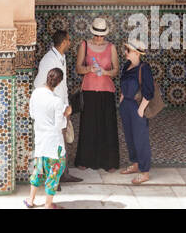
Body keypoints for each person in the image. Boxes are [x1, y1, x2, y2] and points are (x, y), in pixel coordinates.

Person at [73, 16, 119, 172]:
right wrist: (89, 69)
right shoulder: (84, 45)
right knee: (88, 125)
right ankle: (85, 160)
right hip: (89, 90)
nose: (99, 38)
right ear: (93, 32)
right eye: (97, 35)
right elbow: (78, 68)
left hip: (106, 90)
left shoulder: (111, 47)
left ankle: (109, 162)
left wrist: (105, 72)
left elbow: (116, 70)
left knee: (107, 126)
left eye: (102, 35)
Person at [34, 29, 81, 183]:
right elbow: (38, 83)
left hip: (62, 109)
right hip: (53, 110)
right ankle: (53, 178)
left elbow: (62, 86)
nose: (70, 42)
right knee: (54, 144)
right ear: (64, 42)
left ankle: (63, 174)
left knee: (62, 142)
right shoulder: (48, 60)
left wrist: (66, 106)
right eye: (69, 39)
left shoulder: (61, 58)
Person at [25, 67, 70, 209]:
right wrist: (66, 114)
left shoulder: (36, 93)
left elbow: (32, 114)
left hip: (40, 141)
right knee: (54, 173)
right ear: (59, 83)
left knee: (38, 170)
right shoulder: (57, 101)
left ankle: (30, 200)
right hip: (54, 145)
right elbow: (59, 125)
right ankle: (48, 204)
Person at [118, 36, 155, 185]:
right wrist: (121, 99)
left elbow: (149, 91)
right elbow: (122, 83)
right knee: (129, 136)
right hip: (126, 105)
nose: (125, 52)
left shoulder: (144, 68)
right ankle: (135, 164)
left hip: (137, 106)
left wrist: (141, 110)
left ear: (136, 53)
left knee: (141, 139)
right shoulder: (127, 65)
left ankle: (145, 172)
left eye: (128, 50)